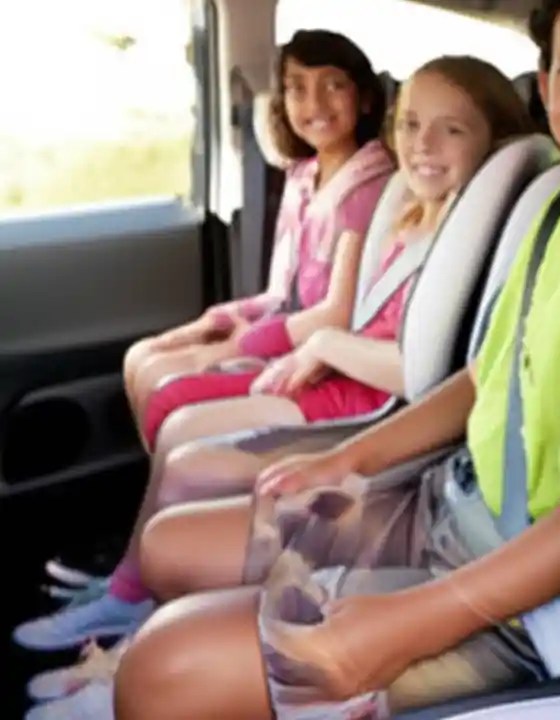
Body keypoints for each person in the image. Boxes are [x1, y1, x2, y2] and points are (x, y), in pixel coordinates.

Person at [15, 55, 532, 709]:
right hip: (376, 414)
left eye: (451, 130)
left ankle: (136, 628)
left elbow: (419, 365)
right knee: (172, 424)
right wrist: (227, 332)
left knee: (185, 441)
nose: (423, 145)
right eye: (413, 125)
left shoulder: (466, 221)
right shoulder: (407, 209)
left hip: (375, 406)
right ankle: (135, 608)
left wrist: (294, 355)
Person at [122, 30, 394, 443]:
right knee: (141, 358)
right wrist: (212, 322)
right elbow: (279, 292)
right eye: (297, 89)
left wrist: (237, 346)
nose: (315, 104)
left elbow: (336, 314)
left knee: (166, 392)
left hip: (323, 355)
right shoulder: (303, 178)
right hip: (284, 329)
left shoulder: (368, 189)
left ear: (366, 98)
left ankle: (181, 487)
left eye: (334, 86)